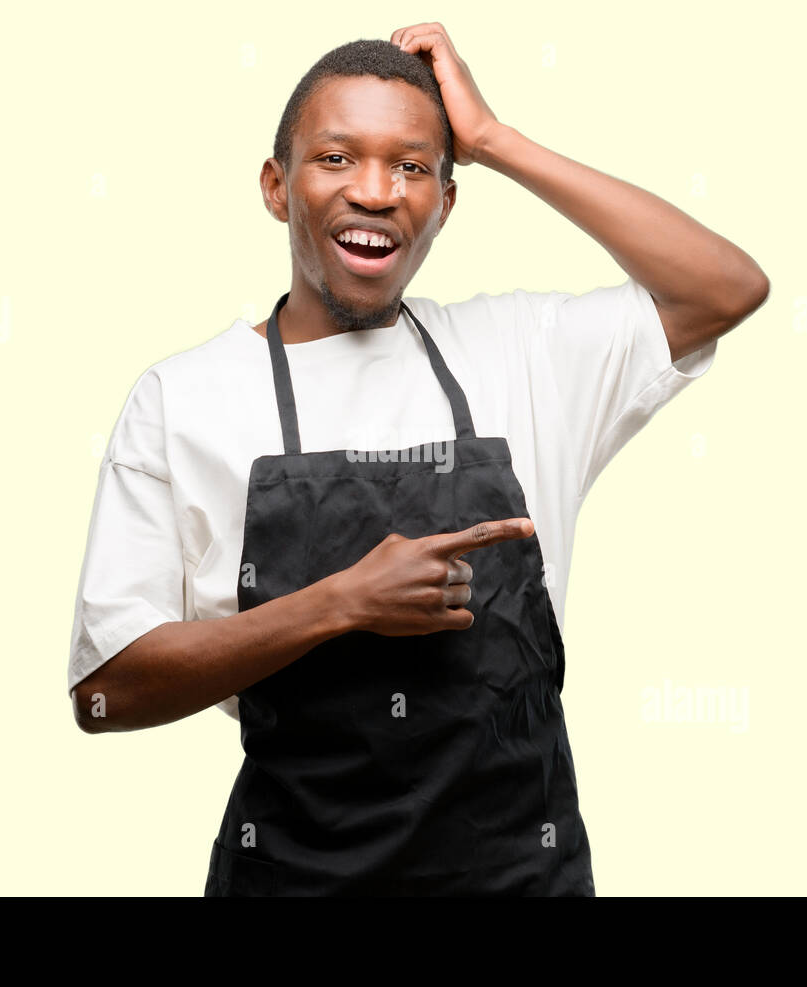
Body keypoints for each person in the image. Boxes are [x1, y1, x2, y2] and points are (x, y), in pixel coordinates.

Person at [67, 24, 768, 896]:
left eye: (412, 166)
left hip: (522, 877)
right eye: (336, 158)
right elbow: (105, 691)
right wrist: (340, 604)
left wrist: (496, 141)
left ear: (445, 202)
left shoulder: (518, 351)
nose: (376, 190)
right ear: (276, 187)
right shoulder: (184, 398)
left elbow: (726, 287)